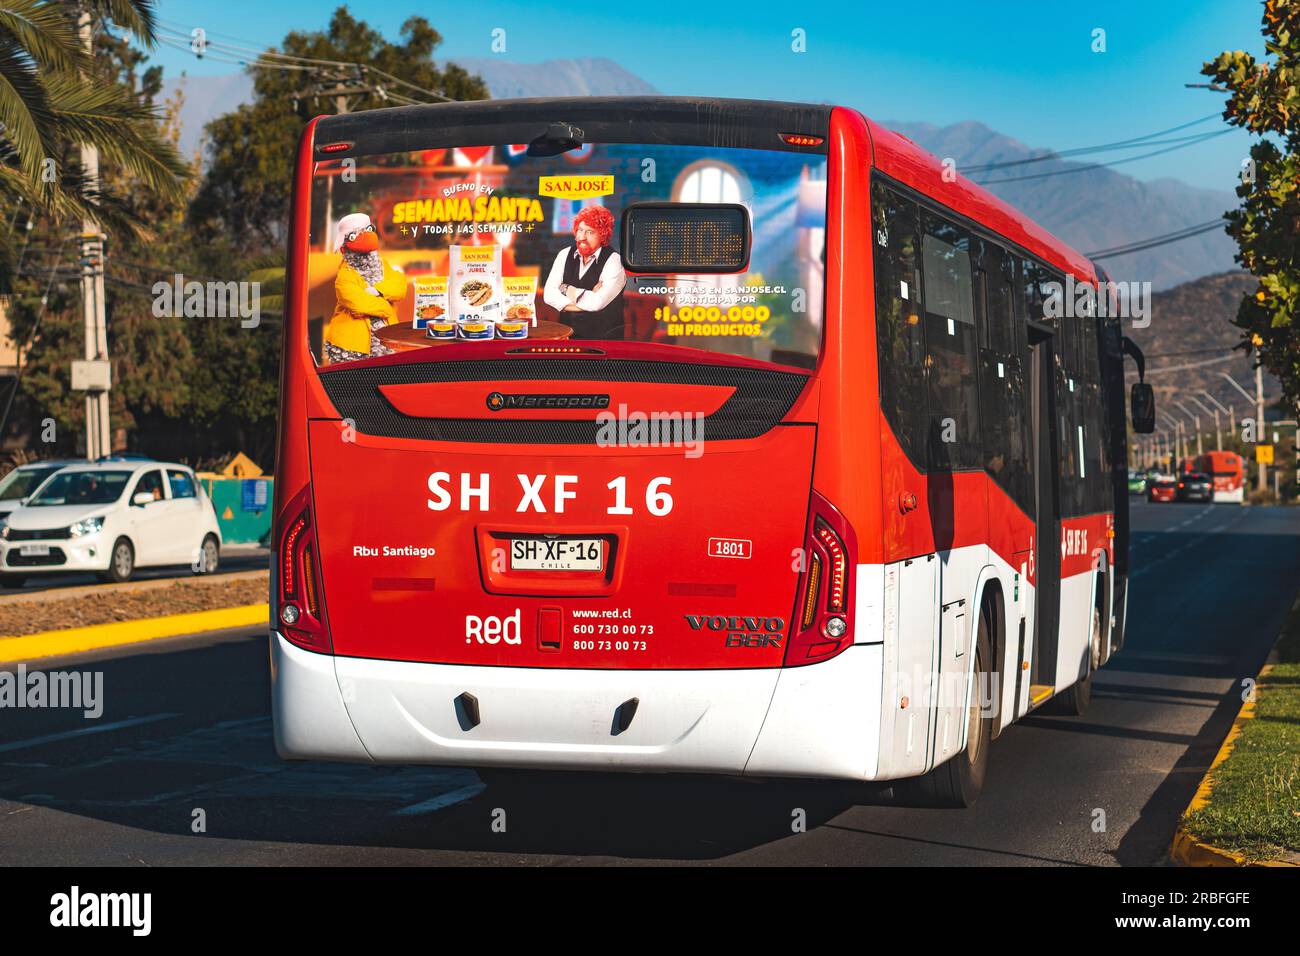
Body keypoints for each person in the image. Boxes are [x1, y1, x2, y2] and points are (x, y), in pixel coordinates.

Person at [323, 212, 408, 364]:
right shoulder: (345, 276)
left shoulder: (383, 265)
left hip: (386, 342)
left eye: (368, 229)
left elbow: (400, 285)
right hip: (351, 347)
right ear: (345, 245)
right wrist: (386, 308)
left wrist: (378, 290)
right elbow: (359, 304)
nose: (366, 235)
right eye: (356, 234)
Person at [542, 205, 625, 339]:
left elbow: (597, 303)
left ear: (603, 235)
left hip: (603, 342)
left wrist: (565, 288)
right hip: (566, 338)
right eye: (580, 230)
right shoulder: (564, 254)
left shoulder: (614, 261)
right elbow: (549, 295)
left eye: (590, 232)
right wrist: (588, 298)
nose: (582, 237)